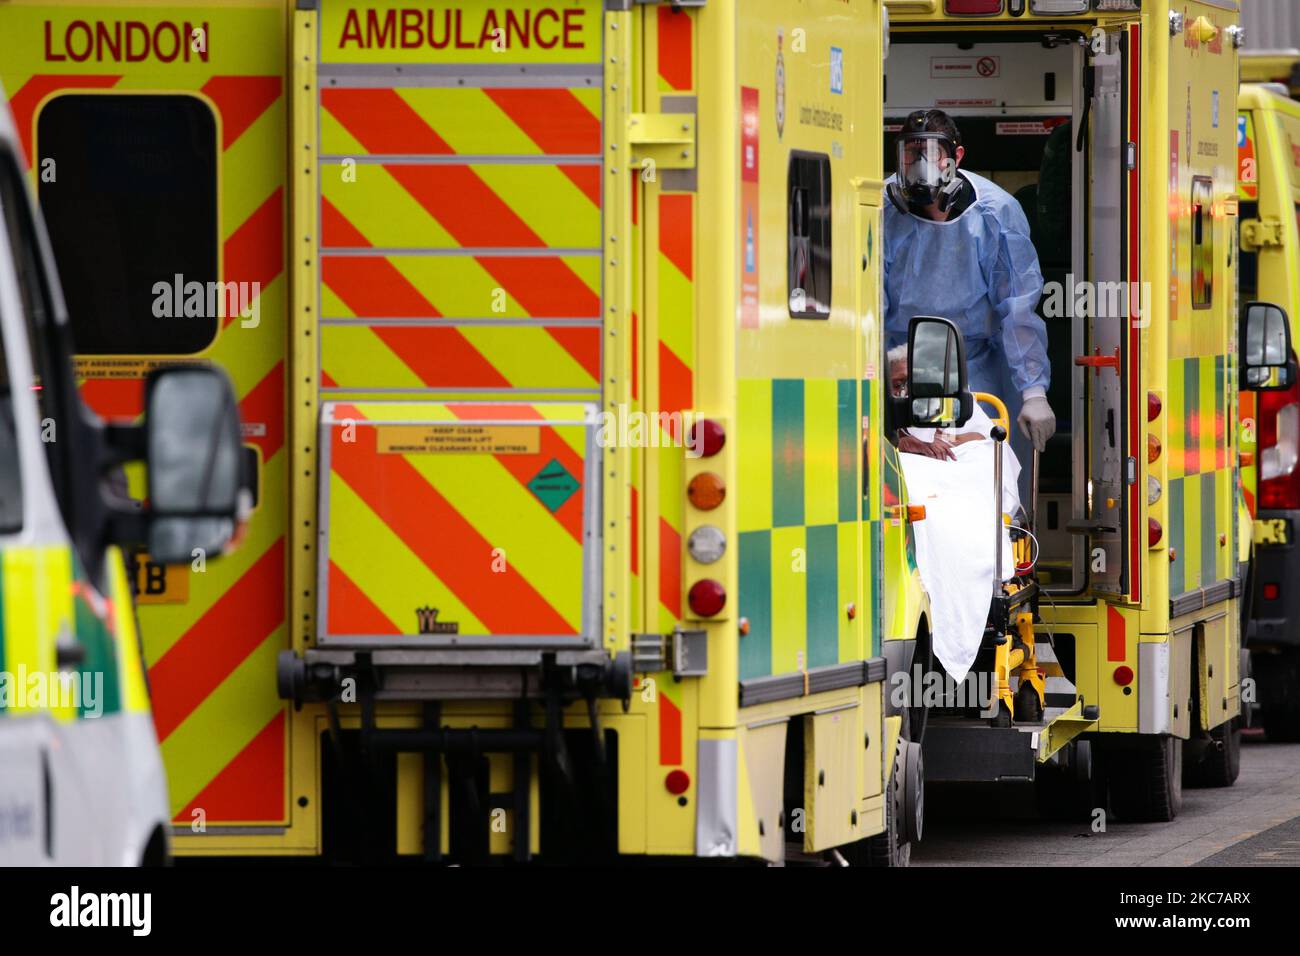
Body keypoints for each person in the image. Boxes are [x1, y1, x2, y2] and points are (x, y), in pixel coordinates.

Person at [883, 109, 1056, 461]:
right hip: (898, 368)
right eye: (910, 154)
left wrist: (1034, 392)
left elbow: (1017, 306)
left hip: (974, 370)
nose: (919, 165)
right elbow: (868, 301)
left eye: (929, 154)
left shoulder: (993, 214)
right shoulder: (882, 208)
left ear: (955, 157)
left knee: (979, 466)